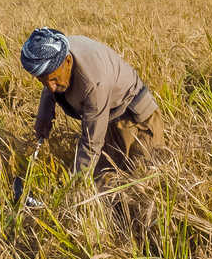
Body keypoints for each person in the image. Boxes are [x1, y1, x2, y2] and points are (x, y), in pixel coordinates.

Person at [20, 27, 164, 176]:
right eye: (43, 81)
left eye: (54, 80)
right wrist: (44, 116)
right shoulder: (56, 54)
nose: (51, 87)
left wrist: (75, 187)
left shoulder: (93, 82)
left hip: (135, 120)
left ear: (68, 61)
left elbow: (91, 144)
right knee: (101, 181)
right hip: (108, 118)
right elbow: (49, 82)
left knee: (137, 181)